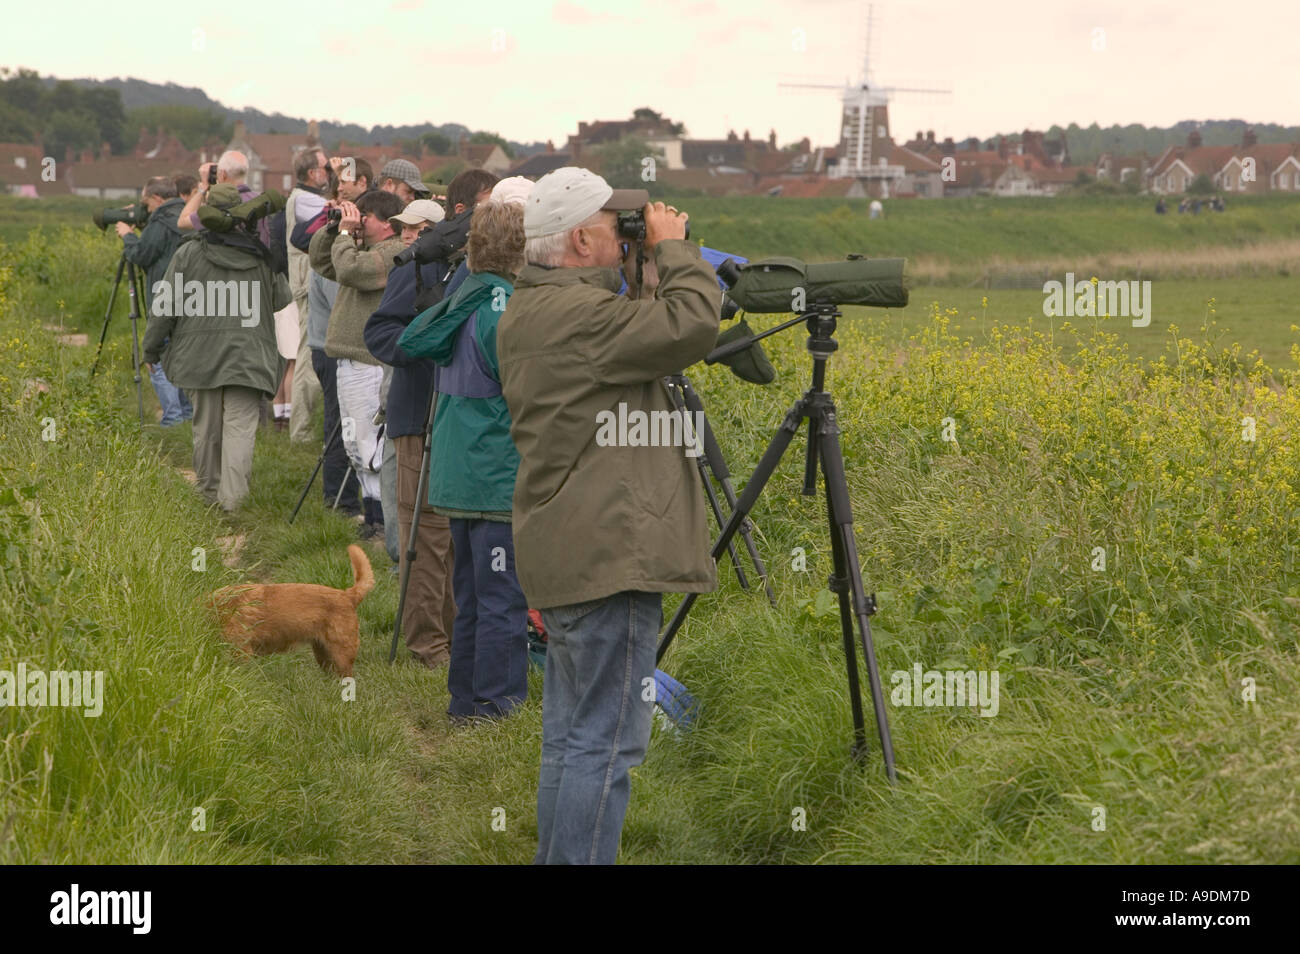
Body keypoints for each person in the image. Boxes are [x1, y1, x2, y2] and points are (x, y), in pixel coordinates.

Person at [496, 168, 721, 864]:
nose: (629, 237)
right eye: (618, 229)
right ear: (587, 237)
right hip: (607, 558)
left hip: (565, 549)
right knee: (609, 743)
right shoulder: (581, 318)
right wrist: (675, 251)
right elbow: (689, 327)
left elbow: (641, 335)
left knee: (571, 738)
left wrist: (646, 265)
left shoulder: (536, 309)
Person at [398, 178, 532, 717]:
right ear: (522, 250)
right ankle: (499, 705)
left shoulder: (465, 299)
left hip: (454, 473)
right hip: (498, 472)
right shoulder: (510, 308)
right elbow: (527, 394)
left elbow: (411, 342)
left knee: (473, 596)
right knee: (504, 597)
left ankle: (465, 700)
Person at [361, 172, 499, 665]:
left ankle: (462, 638)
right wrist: (429, 344)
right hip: (420, 415)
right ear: (462, 213)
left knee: (461, 534)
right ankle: (427, 644)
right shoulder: (424, 265)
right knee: (427, 537)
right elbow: (380, 333)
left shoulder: (492, 275)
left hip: (466, 418)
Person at [141, 185, 290, 512]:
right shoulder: (261, 256)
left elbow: (163, 308)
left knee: (206, 430)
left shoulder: (187, 254)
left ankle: (208, 498)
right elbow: (283, 303)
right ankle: (233, 505)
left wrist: (150, 351)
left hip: (200, 358)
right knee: (240, 431)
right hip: (250, 359)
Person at [310, 188, 406, 538]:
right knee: (355, 445)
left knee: (370, 443)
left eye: (364, 217)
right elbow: (322, 261)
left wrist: (348, 235)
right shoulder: (363, 249)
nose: (358, 223)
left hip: (369, 363)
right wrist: (334, 227)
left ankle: (382, 521)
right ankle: (373, 518)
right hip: (350, 361)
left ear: (385, 223)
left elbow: (350, 270)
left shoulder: (394, 252)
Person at [119, 175, 191, 426]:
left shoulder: (160, 221)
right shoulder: (187, 215)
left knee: (157, 356)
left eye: (146, 201)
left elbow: (141, 254)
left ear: (158, 198)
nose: (146, 206)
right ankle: (188, 417)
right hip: (191, 301)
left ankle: (172, 419)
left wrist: (128, 235)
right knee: (182, 357)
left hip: (163, 299)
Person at [285, 146, 329, 442]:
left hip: (307, 278)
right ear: (313, 173)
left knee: (308, 351)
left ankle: (303, 428)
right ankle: (301, 431)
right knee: (307, 353)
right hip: (306, 280)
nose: (330, 173)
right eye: (326, 168)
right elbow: (331, 209)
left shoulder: (304, 198)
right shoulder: (304, 200)